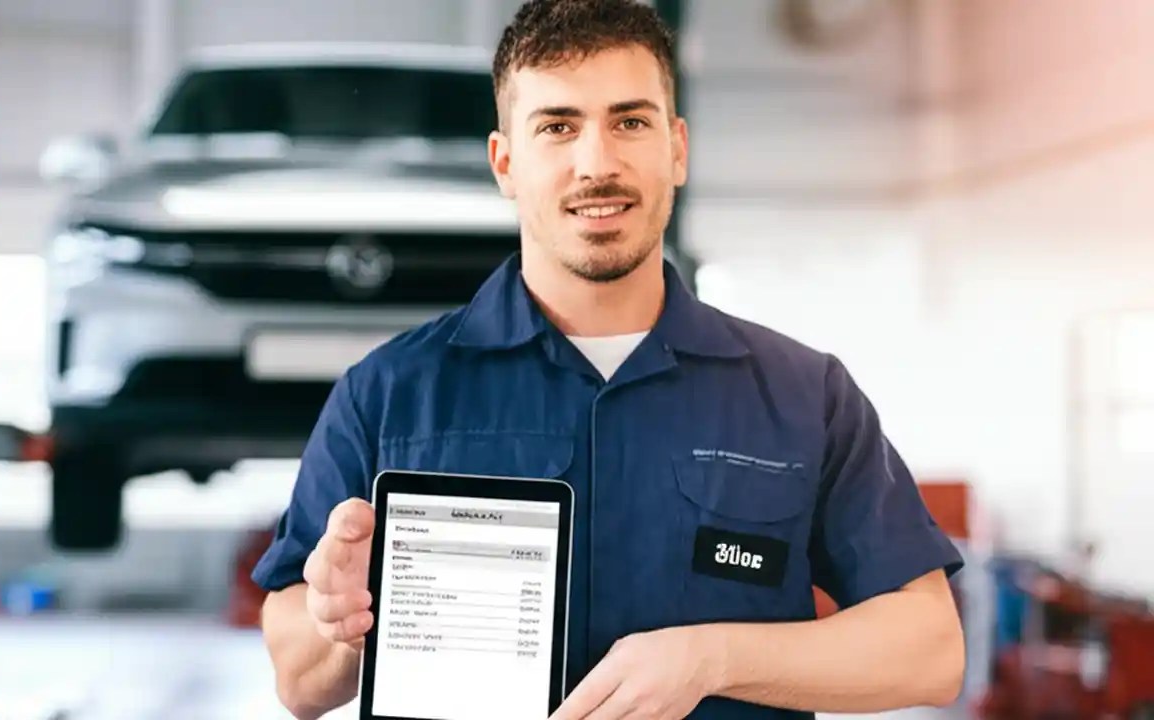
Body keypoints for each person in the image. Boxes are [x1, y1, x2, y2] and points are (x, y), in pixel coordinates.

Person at [250, 1, 966, 717]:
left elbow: (930, 649)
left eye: (630, 121)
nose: (597, 163)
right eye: (558, 127)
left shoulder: (803, 396)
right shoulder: (390, 394)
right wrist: (339, 624)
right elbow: (297, 681)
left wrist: (711, 660)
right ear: (505, 162)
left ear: (677, 148)